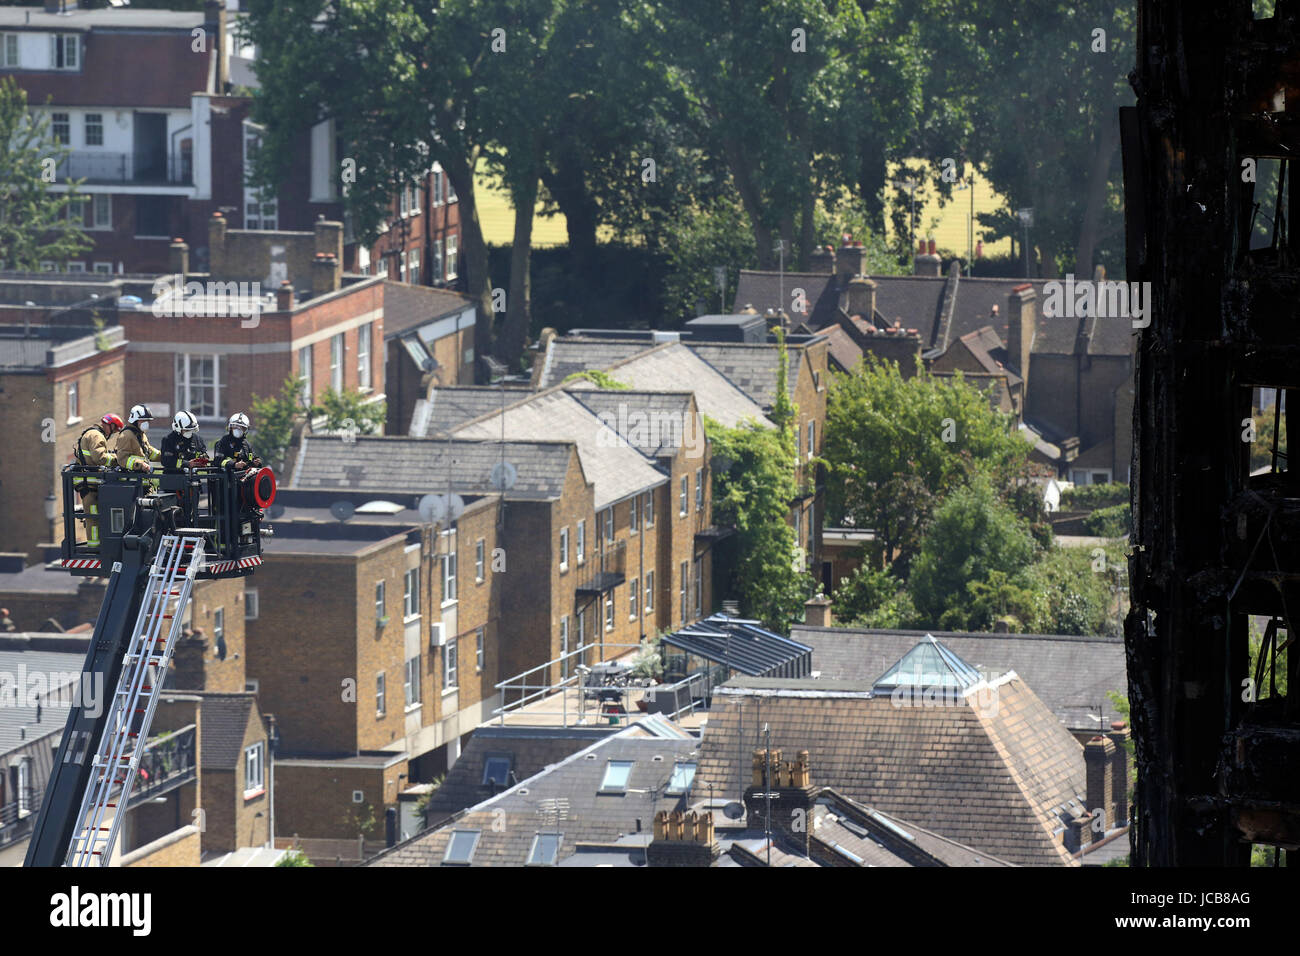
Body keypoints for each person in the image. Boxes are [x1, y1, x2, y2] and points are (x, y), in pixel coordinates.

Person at [73, 413, 123, 548]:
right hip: (90, 486)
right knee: (94, 518)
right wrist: (118, 459)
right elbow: (100, 458)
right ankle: (95, 548)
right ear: (110, 425)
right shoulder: (97, 436)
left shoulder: (92, 434)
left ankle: (97, 545)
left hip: (89, 485)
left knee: (95, 517)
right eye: (114, 430)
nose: (112, 434)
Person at [161, 411, 208, 527]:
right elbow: (167, 461)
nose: (189, 433)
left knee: (191, 515)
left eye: (191, 430)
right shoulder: (168, 440)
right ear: (177, 428)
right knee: (174, 517)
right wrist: (186, 464)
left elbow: (204, 452)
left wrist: (203, 459)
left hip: (193, 485)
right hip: (173, 486)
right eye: (186, 430)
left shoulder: (197, 439)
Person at [115, 403, 162, 474]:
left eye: (148, 421)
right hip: (131, 481)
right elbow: (122, 459)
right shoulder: (126, 435)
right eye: (143, 420)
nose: (146, 423)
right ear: (135, 420)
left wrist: (163, 455)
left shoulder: (141, 434)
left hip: (142, 479)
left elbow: (148, 451)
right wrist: (140, 464)